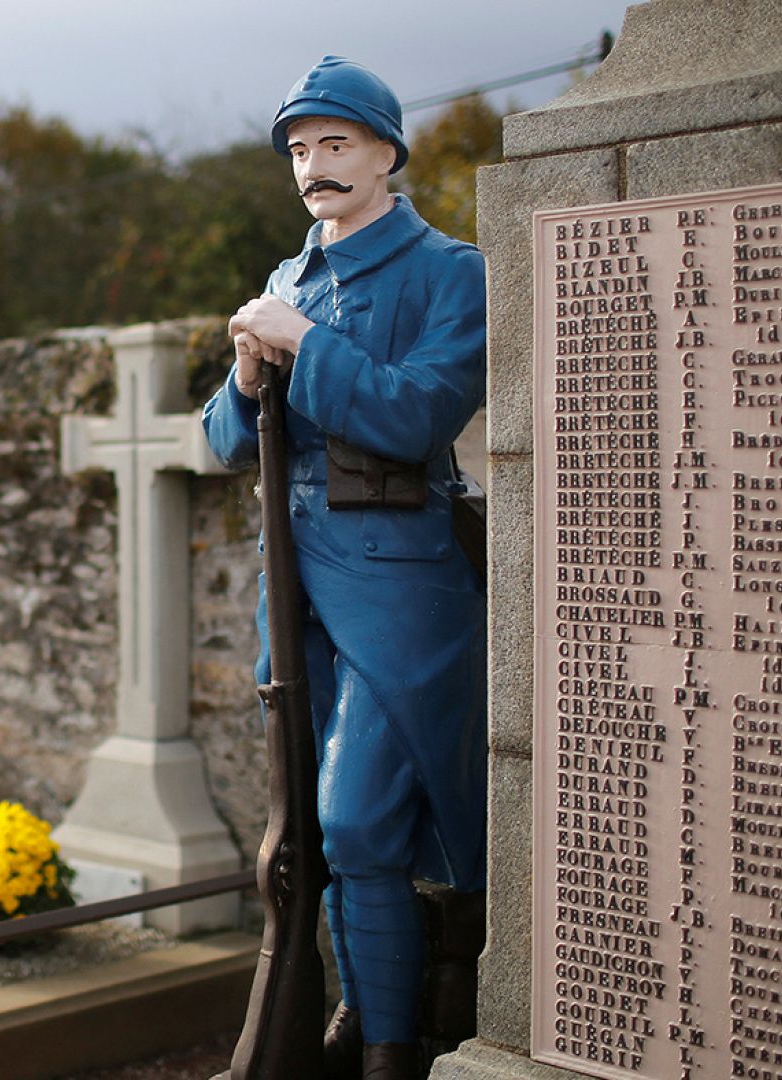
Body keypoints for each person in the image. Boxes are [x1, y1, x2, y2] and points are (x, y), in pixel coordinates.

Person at [201, 55, 488, 1080]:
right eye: (298, 149)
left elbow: (416, 417)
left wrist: (301, 342)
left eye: (334, 144)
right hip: (299, 582)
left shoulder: (449, 271)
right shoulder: (290, 279)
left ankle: (398, 1041)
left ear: (385, 152)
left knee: (361, 811)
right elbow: (226, 444)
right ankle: (371, 1025)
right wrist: (243, 375)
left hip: (398, 580)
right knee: (321, 833)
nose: (312, 166)